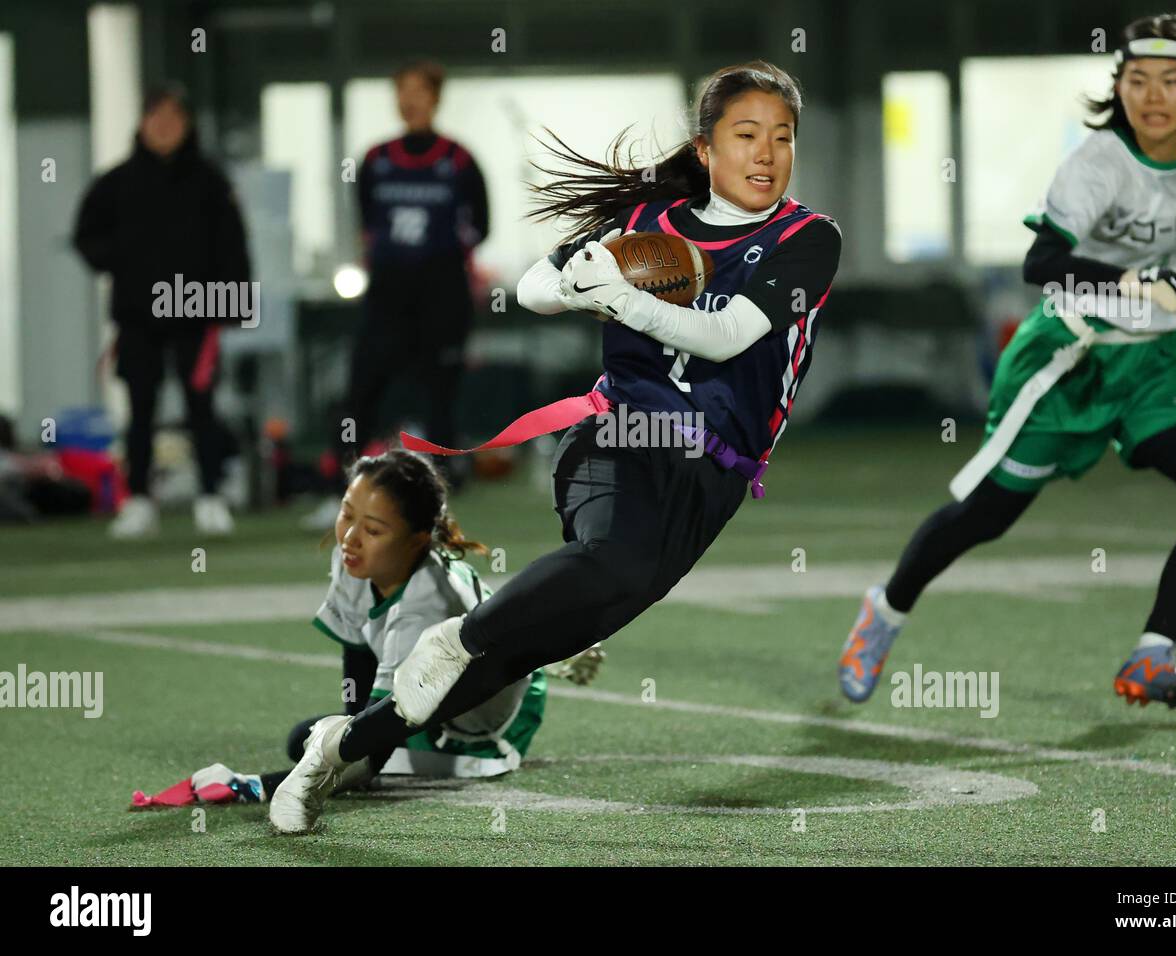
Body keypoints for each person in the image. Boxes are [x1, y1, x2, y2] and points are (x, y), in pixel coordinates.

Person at [267, 59, 842, 834]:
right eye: (746, 135)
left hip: (710, 479)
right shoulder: (653, 216)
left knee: (522, 649)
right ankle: (451, 638)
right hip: (618, 438)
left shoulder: (808, 239)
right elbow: (537, 286)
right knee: (600, 570)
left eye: (783, 137)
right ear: (705, 149)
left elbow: (724, 334)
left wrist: (620, 296)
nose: (767, 153)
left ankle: (338, 751)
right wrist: (588, 280)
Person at [837, 13, 1176, 712]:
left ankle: (1153, 654)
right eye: (1136, 80)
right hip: (1069, 359)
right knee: (987, 514)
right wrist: (1134, 283)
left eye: (1170, 81)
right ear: (1119, 86)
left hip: (1157, 365)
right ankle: (887, 608)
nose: (1151, 96)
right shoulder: (1098, 163)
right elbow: (1042, 262)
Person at [130, 449, 604, 816]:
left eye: (372, 529)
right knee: (313, 738)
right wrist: (348, 728)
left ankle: (541, 657)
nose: (350, 537)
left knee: (320, 746)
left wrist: (251, 785)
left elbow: (372, 753)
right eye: (346, 514)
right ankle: (550, 652)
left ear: (418, 538)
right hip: (433, 694)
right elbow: (357, 662)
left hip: (480, 725)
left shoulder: (425, 601)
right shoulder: (354, 558)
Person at [302, 60, 489, 530]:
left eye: (419, 91)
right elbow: (367, 222)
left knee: (439, 397)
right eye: (402, 90)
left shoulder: (460, 160)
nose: (410, 100)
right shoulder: (376, 159)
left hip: (442, 294)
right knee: (361, 392)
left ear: (435, 97)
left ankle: (437, 504)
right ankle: (340, 494)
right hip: (387, 294)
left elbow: (480, 226)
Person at [74, 83, 251, 539]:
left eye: (174, 117)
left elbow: (234, 247)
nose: (164, 126)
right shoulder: (117, 183)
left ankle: (211, 498)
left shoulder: (211, 182)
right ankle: (137, 500)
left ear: (187, 125)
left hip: (196, 311)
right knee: (140, 408)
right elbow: (86, 236)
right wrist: (122, 261)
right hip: (138, 315)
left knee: (202, 409)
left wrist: (230, 305)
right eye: (156, 117)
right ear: (142, 123)